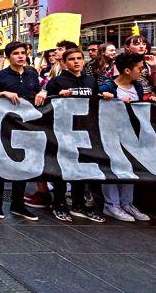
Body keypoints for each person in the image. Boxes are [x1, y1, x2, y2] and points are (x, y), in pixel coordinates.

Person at [43, 47, 109, 223]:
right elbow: (45, 105)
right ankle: (59, 204)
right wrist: (57, 96)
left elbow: (95, 100)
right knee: (62, 170)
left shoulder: (90, 80)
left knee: (82, 169)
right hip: (62, 131)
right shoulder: (56, 82)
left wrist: (106, 96)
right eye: (71, 59)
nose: (76, 61)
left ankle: (78, 204)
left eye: (79, 58)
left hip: (85, 132)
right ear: (64, 62)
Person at [0, 41, 44, 221]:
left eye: (23, 53)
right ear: (8, 57)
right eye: (16, 53)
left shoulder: (32, 74)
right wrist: (2, 93)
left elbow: (38, 92)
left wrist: (44, 93)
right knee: (2, 165)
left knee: (23, 167)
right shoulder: (0, 76)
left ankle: (18, 205)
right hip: (4, 128)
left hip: (26, 128)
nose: (21, 56)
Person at [98, 51, 154, 222]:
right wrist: (111, 99)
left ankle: (127, 203)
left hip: (132, 134)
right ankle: (112, 204)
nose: (142, 71)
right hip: (111, 133)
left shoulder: (137, 86)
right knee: (112, 167)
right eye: (139, 68)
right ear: (127, 71)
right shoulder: (108, 87)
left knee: (129, 167)